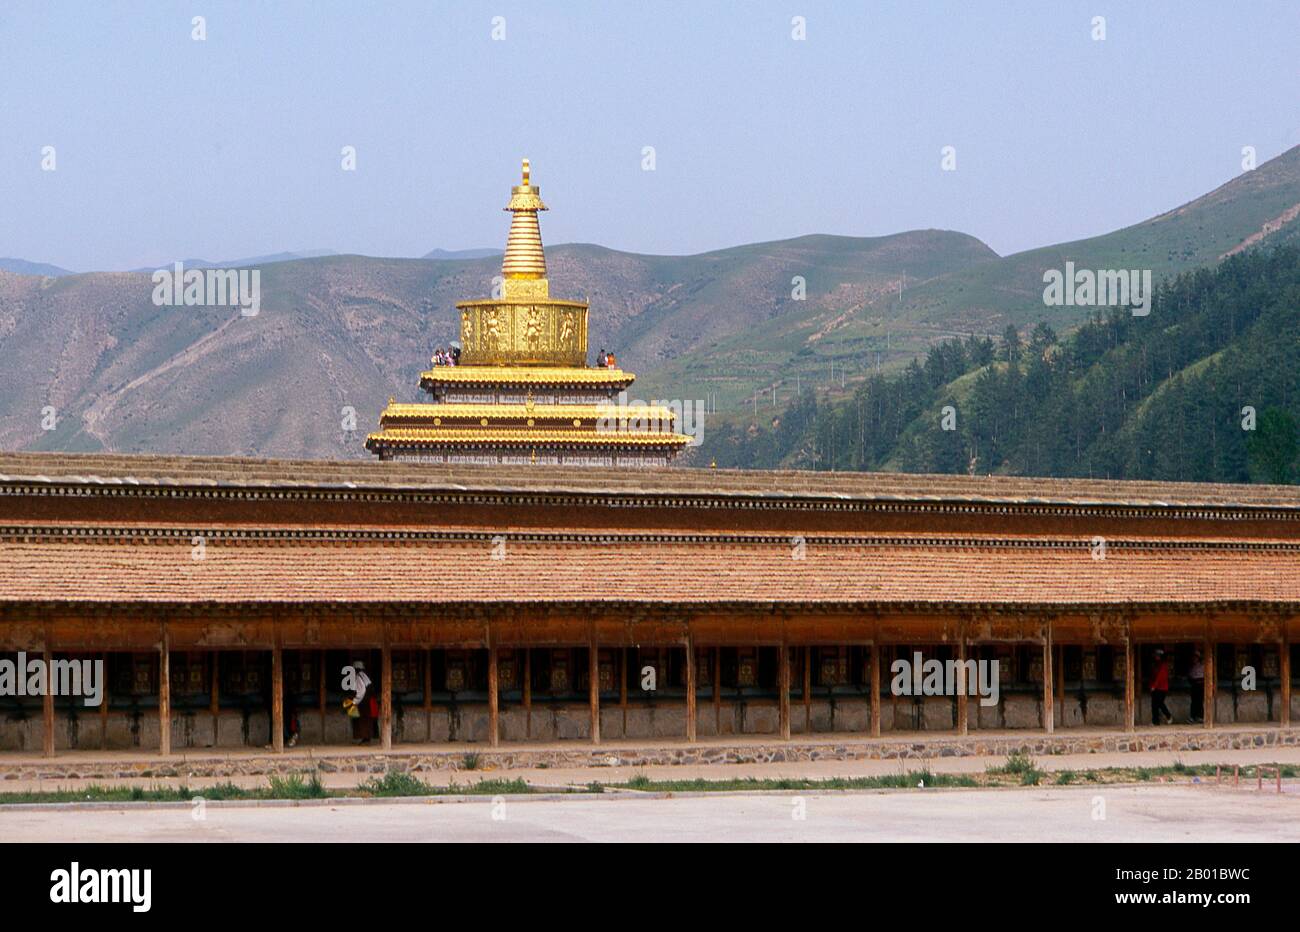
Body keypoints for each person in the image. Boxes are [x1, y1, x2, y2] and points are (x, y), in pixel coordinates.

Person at [351, 659, 373, 745]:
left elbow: (361, 691)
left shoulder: (358, 677)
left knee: (362, 720)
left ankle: (365, 738)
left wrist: (355, 701)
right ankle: (367, 738)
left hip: (363, 702)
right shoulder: (364, 676)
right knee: (367, 719)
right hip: (367, 701)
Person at [1149, 648, 1173, 726]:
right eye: (1155, 656)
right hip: (1155, 687)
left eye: (1157, 656)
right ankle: (1155, 721)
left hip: (1162, 688)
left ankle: (1168, 716)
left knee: (1160, 703)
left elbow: (1160, 677)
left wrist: (1154, 686)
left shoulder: (1163, 665)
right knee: (1154, 705)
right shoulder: (1155, 665)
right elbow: (1153, 676)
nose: (1156, 657)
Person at [1188, 648, 1205, 723]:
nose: (1194, 659)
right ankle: (1192, 717)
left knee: (1199, 701)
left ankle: (1200, 716)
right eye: (1193, 657)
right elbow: (1190, 676)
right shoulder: (1192, 667)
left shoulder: (1202, 666)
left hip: (1200, 685)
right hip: (1194, 685)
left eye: (1196, 657)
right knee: (1193, 701)